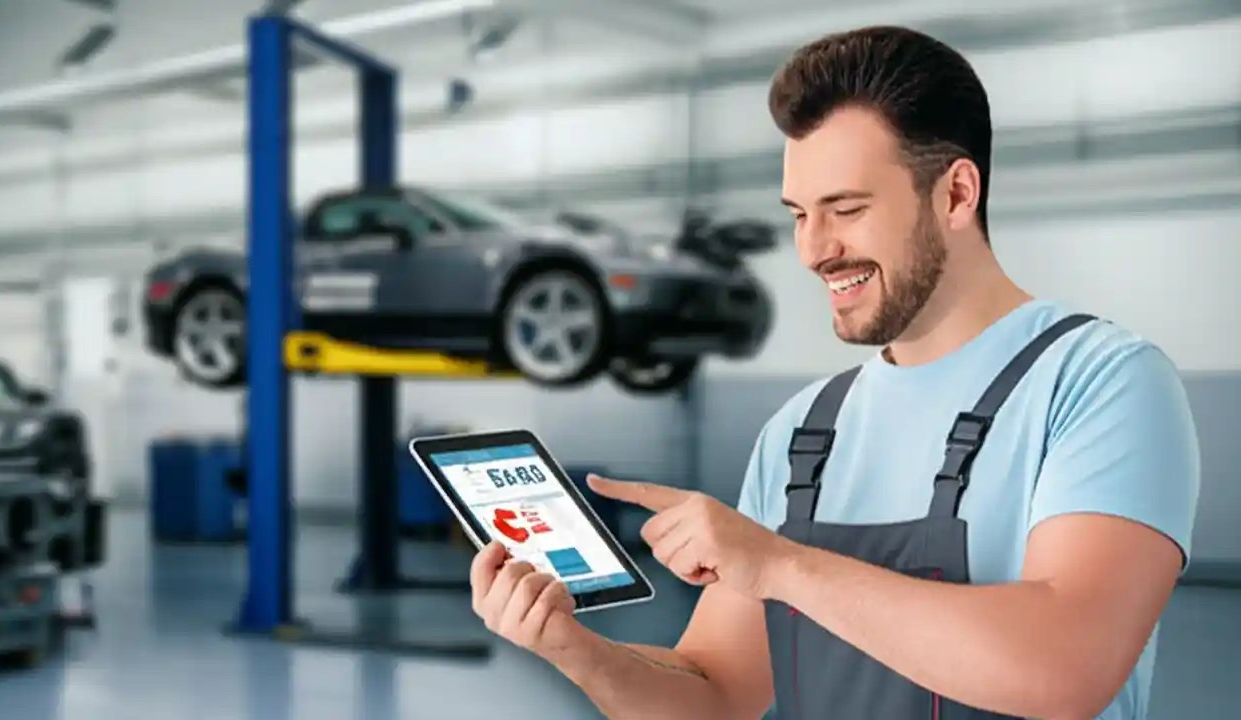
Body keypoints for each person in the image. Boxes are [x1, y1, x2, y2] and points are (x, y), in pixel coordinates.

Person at [468, 25, 1200, 720]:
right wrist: (571, 648)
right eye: (799, 214)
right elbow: (715, 695)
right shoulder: (802, 434)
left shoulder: (1100, 383)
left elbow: (1066, 666)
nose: (815, 250)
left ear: (956, 193)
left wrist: (782, 566)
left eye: (845, 209)